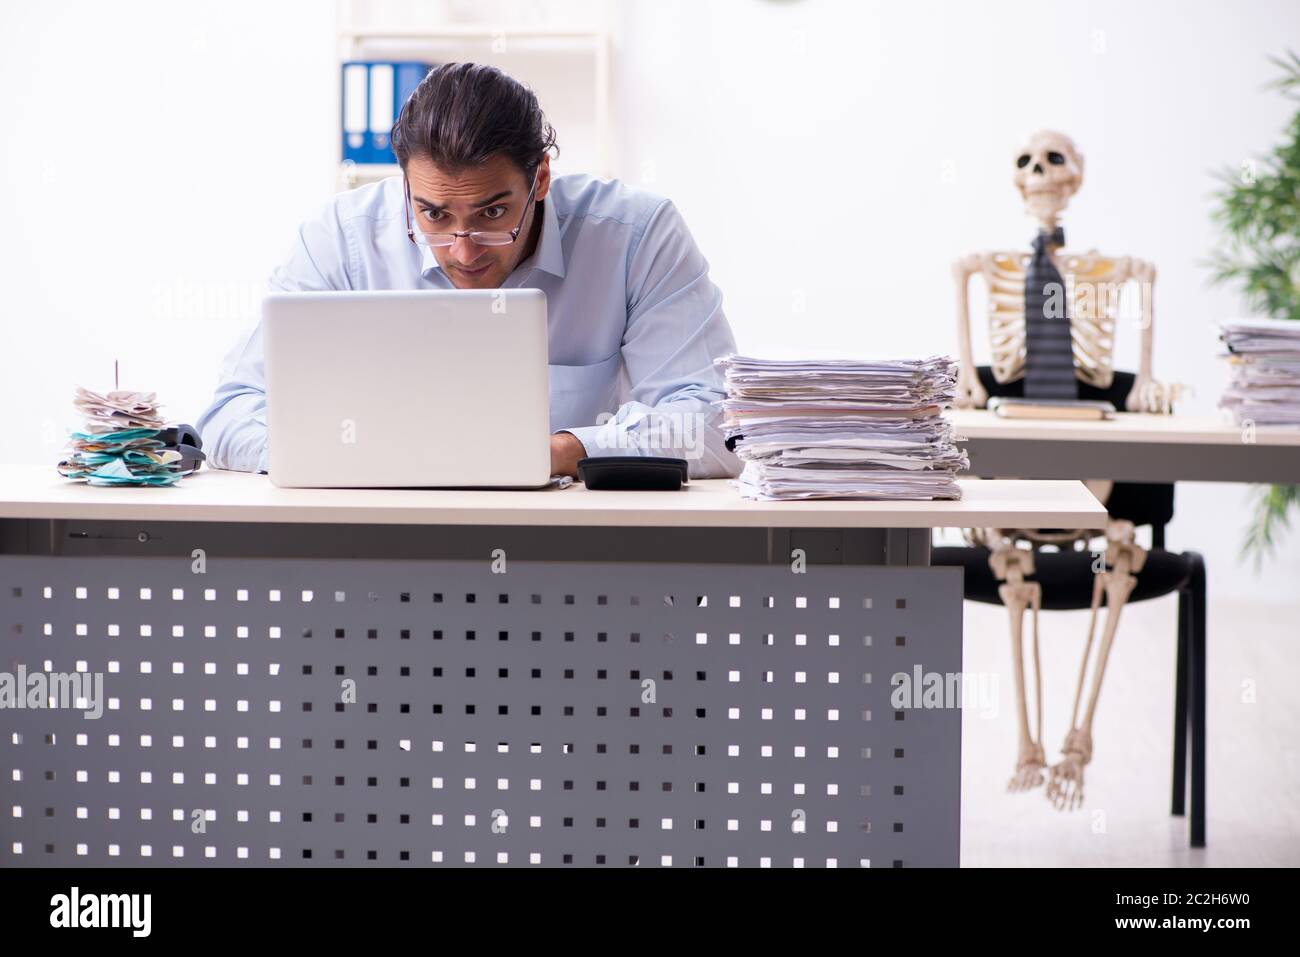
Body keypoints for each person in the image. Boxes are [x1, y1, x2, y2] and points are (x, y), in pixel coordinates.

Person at [197, 61, 740, 479]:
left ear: (541, 179)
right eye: (433, 215)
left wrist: (563, 451)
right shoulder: (340, 238)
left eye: (493, 214)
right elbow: (229, 414)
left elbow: (718, 421)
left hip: (576, 555)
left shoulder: (637, 237)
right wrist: (355, 456)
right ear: (405, 185)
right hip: (376, 561)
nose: (462, 250)